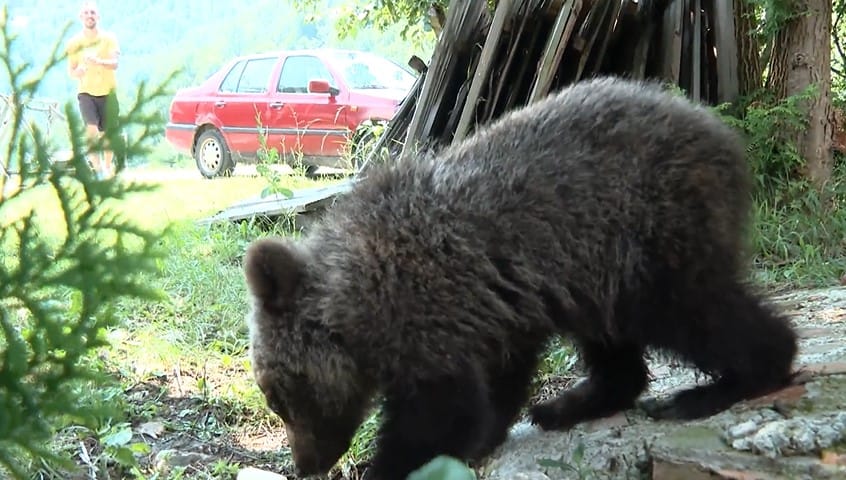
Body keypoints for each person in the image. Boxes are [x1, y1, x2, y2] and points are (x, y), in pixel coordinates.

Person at [66, 1, 120, 179]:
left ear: (98, 17)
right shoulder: (74, 43)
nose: (90, 16)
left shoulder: (109, 39)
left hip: (108, 92)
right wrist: (78, 72)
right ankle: (97, 170)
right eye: (86, 13)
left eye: (93, 13)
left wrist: (99, 62)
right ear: (81, 17)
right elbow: (71, 71)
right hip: (86, 92)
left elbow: (115, 64)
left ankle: (106, 166)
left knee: (108, 135)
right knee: (91, 130)